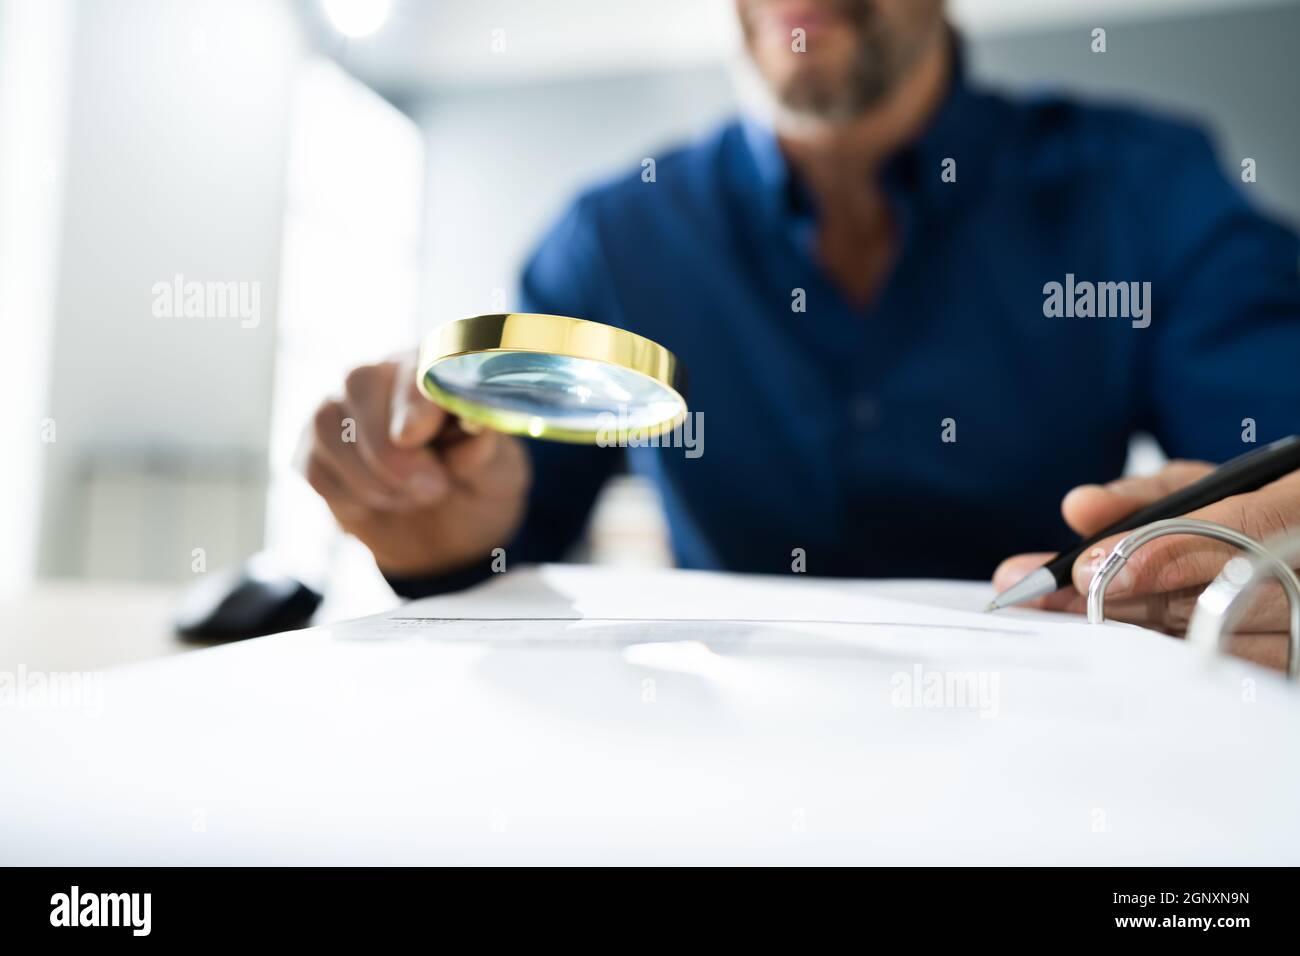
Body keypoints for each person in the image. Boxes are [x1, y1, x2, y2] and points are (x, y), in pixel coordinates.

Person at [299, 0, 1300, 667]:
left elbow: (1275, 461)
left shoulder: (1147, 188)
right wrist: (439, 535)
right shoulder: (612, 238)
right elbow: (500, 537)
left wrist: (1278, 550)